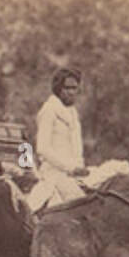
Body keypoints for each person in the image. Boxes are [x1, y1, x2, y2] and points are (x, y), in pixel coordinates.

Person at [34, 67, 88, 207]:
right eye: (67, 88)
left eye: (74, 88)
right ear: (58, 89)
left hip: (75, 175)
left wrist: (78, 168)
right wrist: (70, 168)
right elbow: (43, 148)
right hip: (53, 174)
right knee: (78, 205)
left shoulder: (72, 113)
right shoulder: (49, 110)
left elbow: (76, 148)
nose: (71, 92)